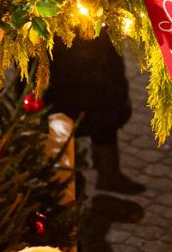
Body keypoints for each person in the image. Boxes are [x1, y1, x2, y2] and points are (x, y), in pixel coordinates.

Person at [44, 33, 144, 195]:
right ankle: (64, 184)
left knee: (105, 104)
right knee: (59, 112)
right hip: (54, 46)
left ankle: (109, 173)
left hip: (97, 42)